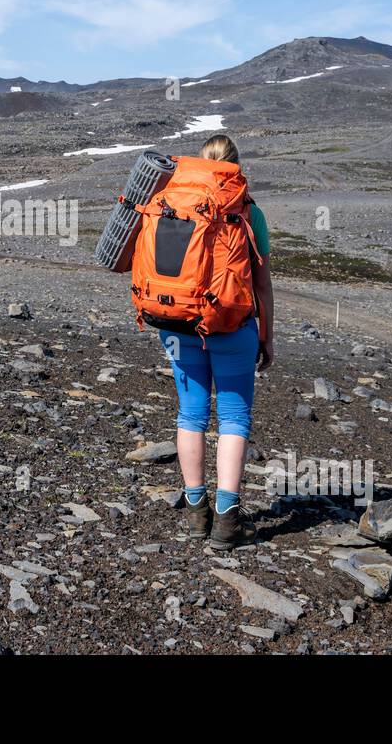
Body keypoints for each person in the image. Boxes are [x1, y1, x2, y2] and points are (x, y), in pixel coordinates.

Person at [162, 134, 273, 549]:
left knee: (190, 414)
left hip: (178, 324)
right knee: (233, 418)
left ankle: (196, 514)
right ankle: (227, 523)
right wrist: (267, 337)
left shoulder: (173, 202)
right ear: (236, 166)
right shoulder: (249, 212)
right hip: (232, 326)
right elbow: (262, 284)